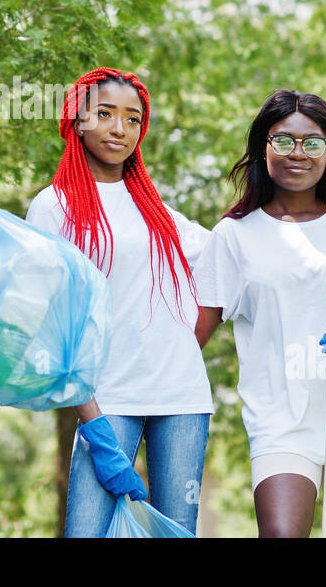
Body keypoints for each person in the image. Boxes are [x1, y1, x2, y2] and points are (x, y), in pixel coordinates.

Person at [196, 90, 326, 538]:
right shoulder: (233, 236)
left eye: (312, 142)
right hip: (280, 419)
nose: (298, 153)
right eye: (282, 141)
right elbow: (194, 335)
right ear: (261, 148)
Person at [25, 67, 212, 537]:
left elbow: (228, 264)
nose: (119, 129)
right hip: (105, 398)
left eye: (132, 119)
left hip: (181, 396)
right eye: (104, 114)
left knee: (176, 531)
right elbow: (50, 326)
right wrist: (93, 425)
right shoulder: (53, 207)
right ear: (77, 120)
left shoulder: (157, 210)